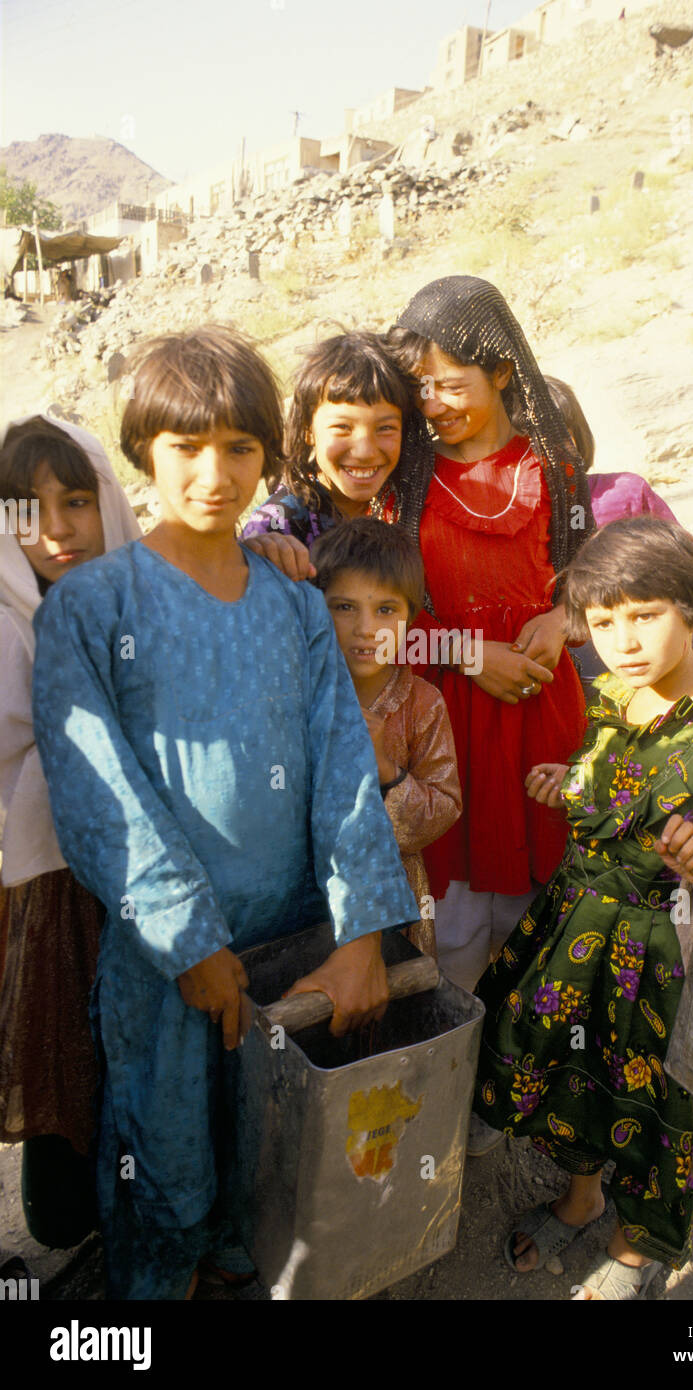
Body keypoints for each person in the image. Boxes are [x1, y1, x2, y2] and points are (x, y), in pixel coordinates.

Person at [30, 327, 418, 1300]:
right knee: (165, 1168)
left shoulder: (293, 602)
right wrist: (190, 942)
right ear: (142, 451)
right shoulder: (93, 607)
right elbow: (98, 795)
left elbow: (342, 764)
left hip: (294, 944)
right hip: (166, 965)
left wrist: (362, 934)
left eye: (239, 447)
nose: (215, 474)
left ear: (268, 454)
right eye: (186, 447)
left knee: (269, 1158)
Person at [470, 516, 693, 1298]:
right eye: (603, 623)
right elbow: (604, 789)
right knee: (571, 1070)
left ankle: (634, 1247)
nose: (624, 641)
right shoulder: (606, 696)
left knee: (652, 1097)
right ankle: (580, 1198)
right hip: (577, 925)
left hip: (665, 950)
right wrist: (564, 782)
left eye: (645, 615)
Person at [387, 275, 595, 990]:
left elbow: (591, 590)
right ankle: (461, 1046)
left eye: (451, 385)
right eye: (421, 389)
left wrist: (563, 619)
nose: (432, 406)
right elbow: (385, 632)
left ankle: (532, 1051)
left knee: (544, 920)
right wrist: (467, 652)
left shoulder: (556, 469)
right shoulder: (404, 484)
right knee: (456, 931)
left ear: (503, 372)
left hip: (542, 715)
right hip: (445, 726)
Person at [0, 414, 140, 1249]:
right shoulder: (6, 622)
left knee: (145, 1055)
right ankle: (73, 1211)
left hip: (148, 876)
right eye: (27, 510)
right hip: (52, 883)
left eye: (77, 501)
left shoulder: (149, 599)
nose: (55, 530)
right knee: (65, 1043)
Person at [312, 517, 462, 959]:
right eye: (344, 607)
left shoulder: (422, 704)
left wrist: (384, 769)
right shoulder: (302, 697)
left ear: (409, 618)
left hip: (395, 901)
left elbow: (441, 812)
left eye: (385, 610)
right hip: (308, 899)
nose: (366, 628)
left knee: (393, 990)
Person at [240, 330, 419, 550]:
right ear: (308, 430)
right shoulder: (277, 530)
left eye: (385, 428)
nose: (365, 452)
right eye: (342, 427)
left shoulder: (413, 502)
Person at [514, 374, 679, 529]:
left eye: (558, 439)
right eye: (530, 445)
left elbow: (679, 546)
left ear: (578, 438)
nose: (547, 453)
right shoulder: (509, 523)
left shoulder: (627, 494)